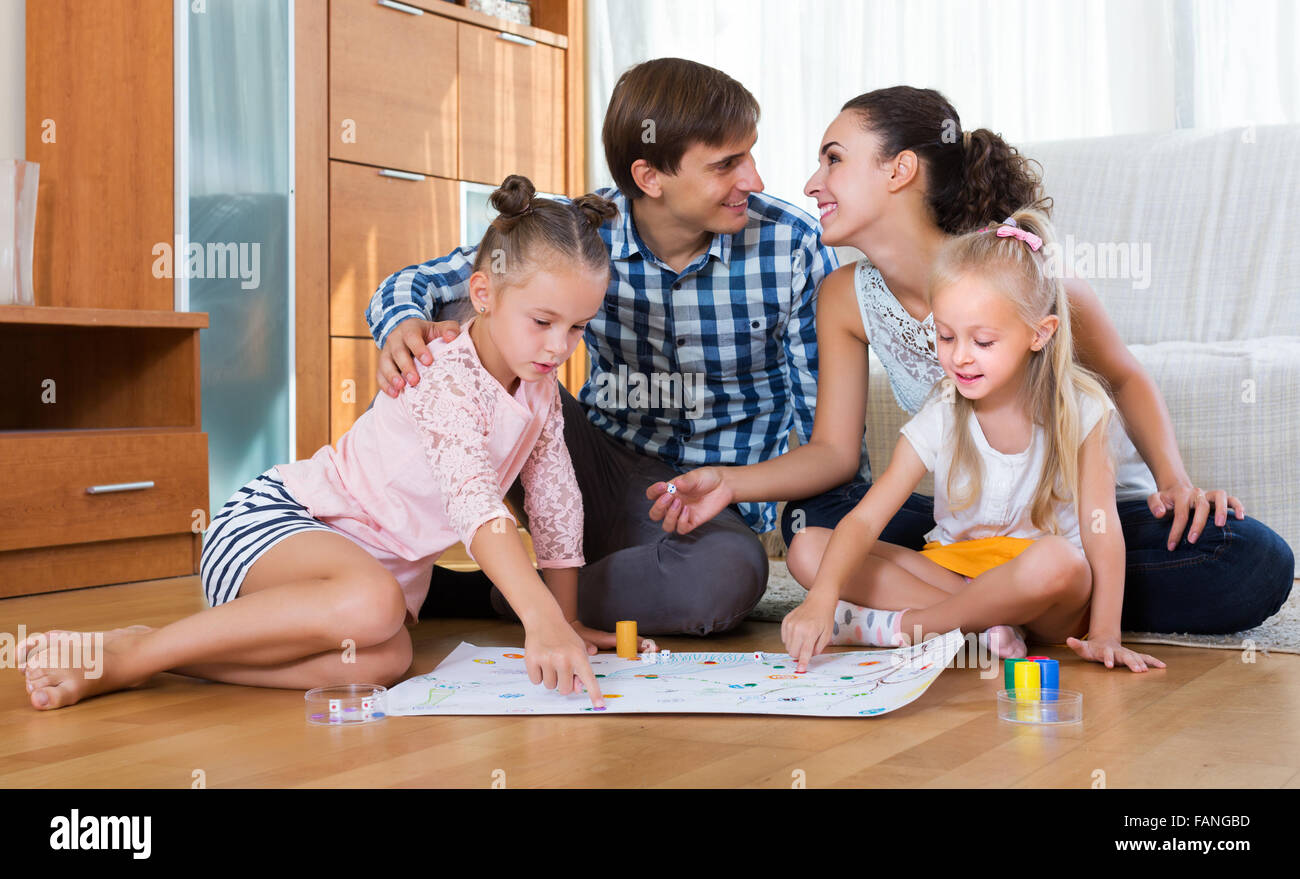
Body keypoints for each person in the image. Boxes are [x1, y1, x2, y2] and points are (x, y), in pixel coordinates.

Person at [648, 86, 1292, 635]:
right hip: (966, 525)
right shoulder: (846, 296)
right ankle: (1003, 613)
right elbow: (834, 456)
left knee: (1251, 560)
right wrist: (732, 482)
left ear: (899, 170)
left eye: (834, 160)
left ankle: (971, 608)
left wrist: (1174, 483)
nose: (812, 183)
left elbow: (1121, 376)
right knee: (816, 520)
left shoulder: (1022, 280)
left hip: (1078, 516)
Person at [19, 176, 645, 711]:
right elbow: (476, 504)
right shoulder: (442, 371)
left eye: (578, 328)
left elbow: (555, 499)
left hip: (357, 590)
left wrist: (562, 621)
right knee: (374, 605)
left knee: (385, 659)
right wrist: (535, 619)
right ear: (483, 295)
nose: (560, 348)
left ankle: (150, 654)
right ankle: (135, 657)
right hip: (274, 530)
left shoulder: (536, 389)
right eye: (543, 322)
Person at [368, 58, 838, 635]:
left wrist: (830, 536)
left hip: (714, 503)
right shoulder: (579, 231)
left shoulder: (792, 245)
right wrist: (400, 325)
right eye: (727, 164)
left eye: (750, 155)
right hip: (591, 460)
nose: (755, 181)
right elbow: (421, 284)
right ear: (649, 177)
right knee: (460, 319)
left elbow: (827, 434)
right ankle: (375, 537)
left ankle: (500, 596)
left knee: (722, 580)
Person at [784, 209, 1164, 672]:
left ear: (1038, 334)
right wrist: (822, 598)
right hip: (953, 570)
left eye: (982, 342)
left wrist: (1106, 632)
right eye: (945, 336)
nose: (960, 357)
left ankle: (913, 628)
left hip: (1042, 591)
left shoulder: (1083, 408)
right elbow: (865, 521)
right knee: (808, 548)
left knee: (1058, 562)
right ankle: (986, 625)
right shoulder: (944, 408)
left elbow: (1101, 529)